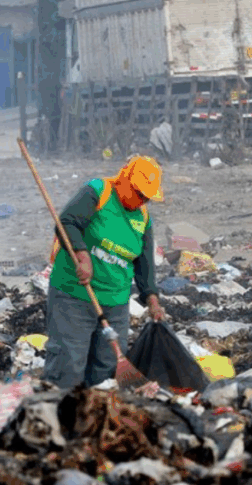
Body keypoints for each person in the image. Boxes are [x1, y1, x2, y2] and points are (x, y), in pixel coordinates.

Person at [44, 156, 168, 390]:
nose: (142, 201)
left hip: (115, 303)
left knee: (107, 369)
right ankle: (61, 417)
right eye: (139, 194)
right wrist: (82, 256)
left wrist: (152, 298)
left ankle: (97, 418)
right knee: (68, 364)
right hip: (75, 295)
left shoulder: (142, 217)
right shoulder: (98, 192)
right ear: (125, 180)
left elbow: (145, 262)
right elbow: (67, 222)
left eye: (147, 198)